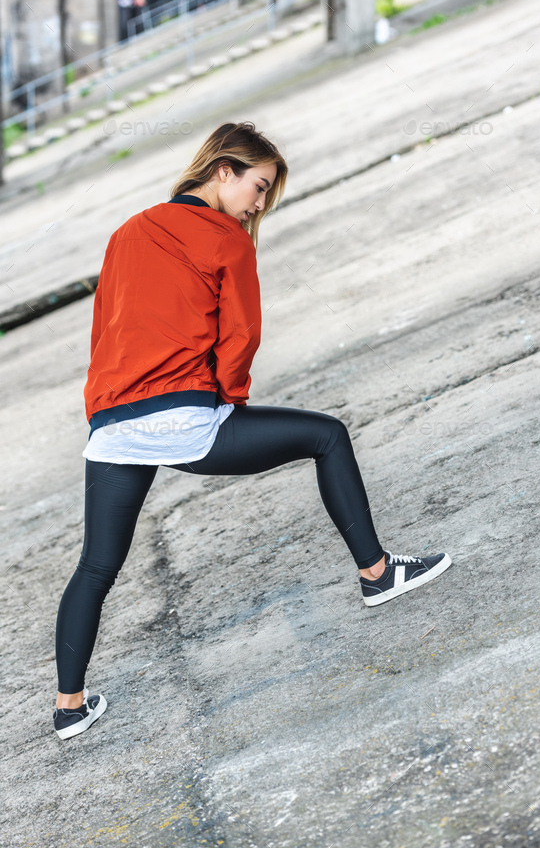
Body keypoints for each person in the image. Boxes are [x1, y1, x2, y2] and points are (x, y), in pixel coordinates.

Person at [53, 121, 452, 740]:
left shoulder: (127, 232)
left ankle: (69, 706)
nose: (259, 204)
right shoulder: (228, 239)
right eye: (258, 187)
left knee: (97, 565)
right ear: (223, 172)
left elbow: (107, 329)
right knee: (327, 436)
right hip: (187, 418)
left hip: (112, 425)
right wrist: (231, 404)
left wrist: (108, 411)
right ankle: (378, 575)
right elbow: (240, 336)